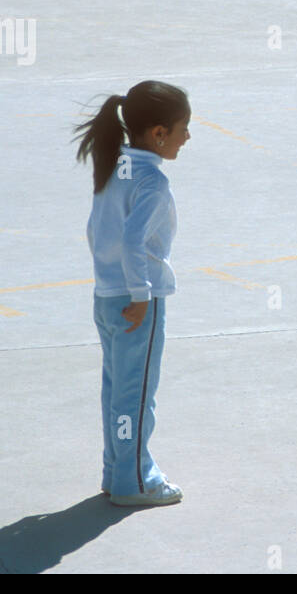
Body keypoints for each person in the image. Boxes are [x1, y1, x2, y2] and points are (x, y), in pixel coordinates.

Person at [73, 81, 192, 506]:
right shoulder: (152, 181)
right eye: (183, 128)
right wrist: (140, 294)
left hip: (105, 296)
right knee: (137, 393)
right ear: (158, 133)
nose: (187, 138)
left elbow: (96, 229)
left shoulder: (116, 165)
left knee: (116, 388)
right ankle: (135, 481)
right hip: (135, 302)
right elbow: (133, 241)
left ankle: (116, 470)